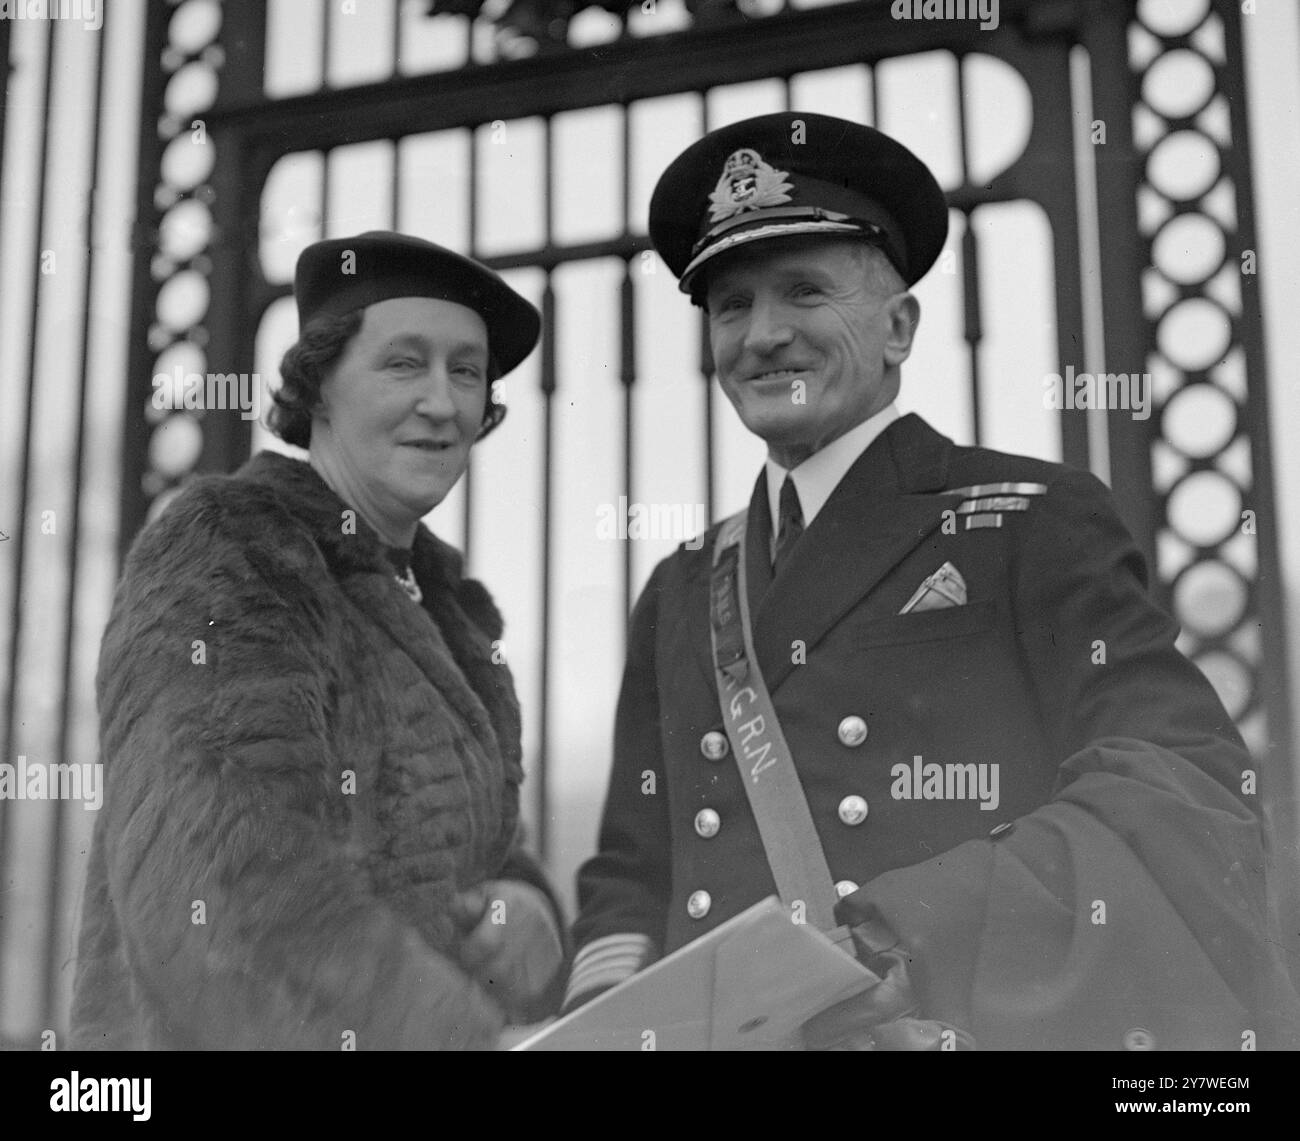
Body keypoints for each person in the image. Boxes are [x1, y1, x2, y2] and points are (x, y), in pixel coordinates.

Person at [564, 112, 1300, 1049]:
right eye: (731, 306)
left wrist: (907, 935)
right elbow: (634, 872)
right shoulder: (680, 586)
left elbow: (1178, 781)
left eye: (803, 291)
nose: (763, 335)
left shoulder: (1032, 517)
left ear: (899, 327)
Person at [71, 231, 564, 1049]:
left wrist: (529, 907)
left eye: (466, 371)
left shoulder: (446, 607)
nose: (441, 402)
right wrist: (456, 1035)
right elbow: (221, 884)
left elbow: (470, 847)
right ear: (321, 385)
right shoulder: (228, 545)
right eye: (405, 363)